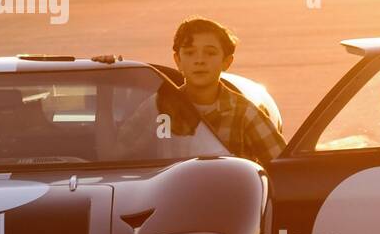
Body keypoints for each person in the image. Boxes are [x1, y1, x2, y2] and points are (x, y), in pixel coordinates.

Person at [101, 16, 286, 167]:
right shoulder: (159, 107)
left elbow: (283, 167)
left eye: (210, 53)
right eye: (189, 53)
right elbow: (115, 155)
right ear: (177, 61)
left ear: (227, 62)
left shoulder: (245, 113)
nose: (199, 60)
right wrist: (108, 75)